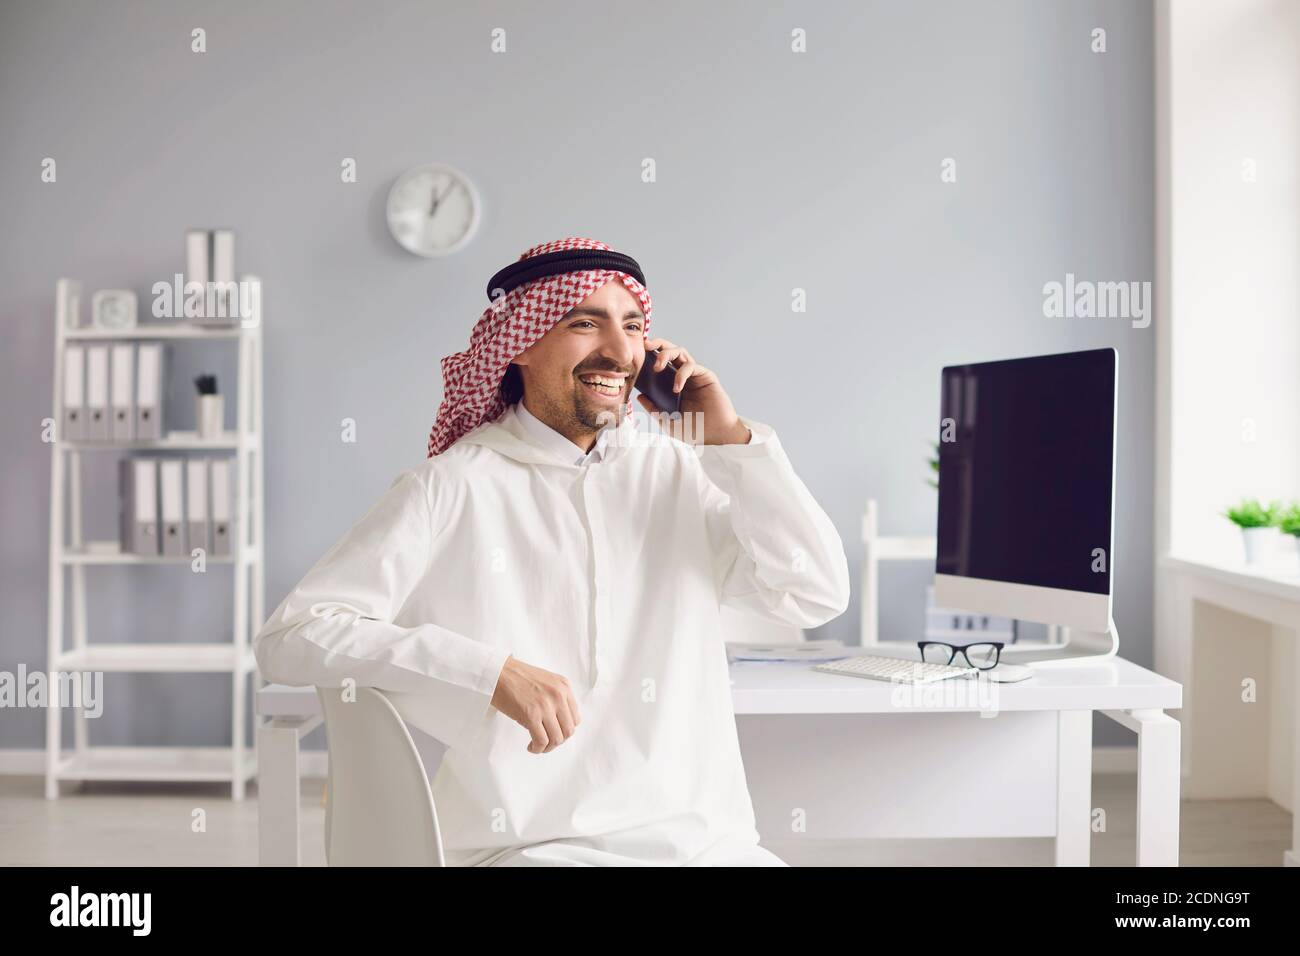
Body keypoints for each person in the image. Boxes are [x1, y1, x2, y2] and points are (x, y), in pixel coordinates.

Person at [254, 236, 850, 866]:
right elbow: (292, 635)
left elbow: (814, 594)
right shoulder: (452, 486)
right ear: (520, 345)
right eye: (584, 323)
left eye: (633, 327)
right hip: (530, 850)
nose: (619, 351)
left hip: (706, 849)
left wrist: (727, 440)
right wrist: (488, 671)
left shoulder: (681, 471)